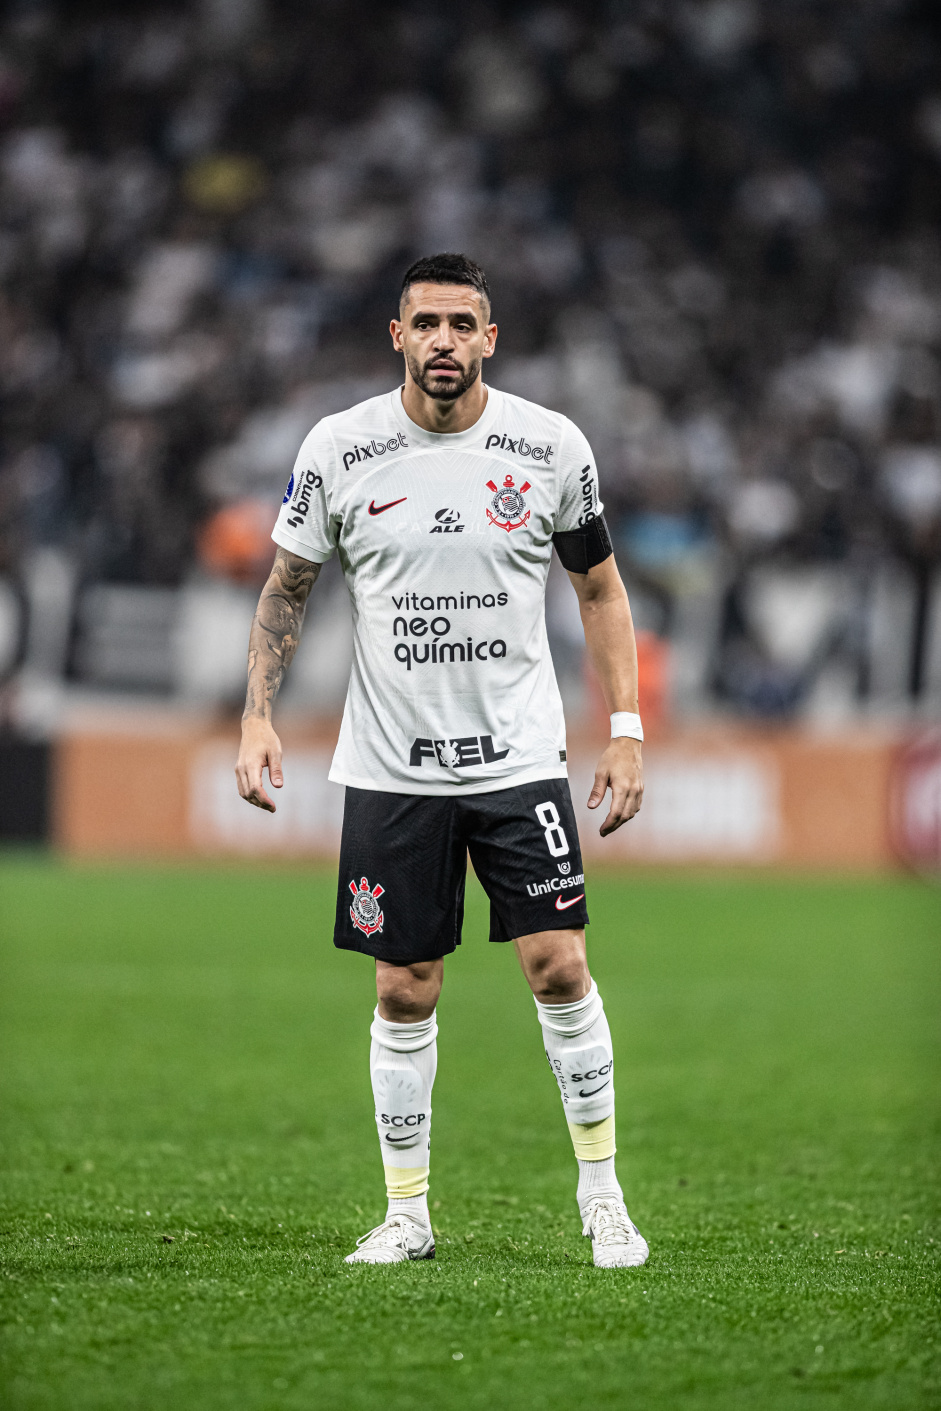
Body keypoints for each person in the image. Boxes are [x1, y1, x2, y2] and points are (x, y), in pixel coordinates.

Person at [235, 253, 647, 1268]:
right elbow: (287, 587)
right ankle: (406, 1213)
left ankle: (604, 1199)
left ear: (489, 339)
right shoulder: (340, 448)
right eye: (426, 323)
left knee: (559, 966)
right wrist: (256, 713)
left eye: (463, 324)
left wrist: (626, 726)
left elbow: (597, 588)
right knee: (403, 990)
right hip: (388, 767)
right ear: (396, 335)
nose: (445, 342)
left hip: (515, 757)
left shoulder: (547, 446)